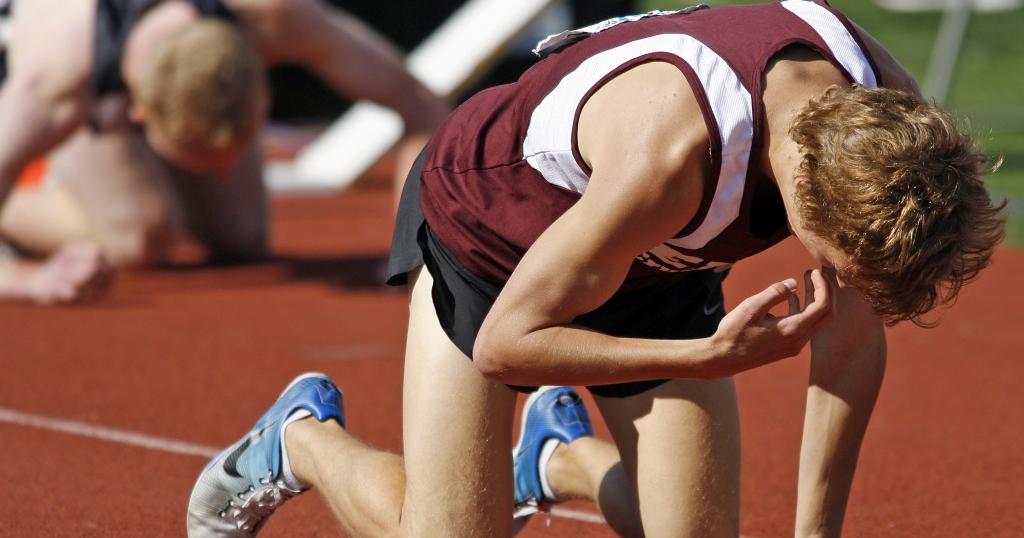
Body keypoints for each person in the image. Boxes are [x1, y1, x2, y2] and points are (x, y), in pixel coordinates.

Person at [187, 1, 1005, 536]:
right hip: (494, 249)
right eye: (841, 263)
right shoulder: (670, 155)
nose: (847, 282)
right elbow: (511, 345)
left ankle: (556, 459)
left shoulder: (887, 125)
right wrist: (706, 357)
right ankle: (297, 440)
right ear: (805, 204)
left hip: (653, 261)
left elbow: (853, 345)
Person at [0, 0, 447, 304]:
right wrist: (30, 280)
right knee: (142, 238)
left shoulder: (273, 15)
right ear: (137, 113)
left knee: (241, 238)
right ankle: (14, 210)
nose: (226, 170)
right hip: (86, 59)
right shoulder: (58, 82)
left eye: (237, 148)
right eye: (203, 158)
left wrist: (413, 249)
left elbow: (418, 103)